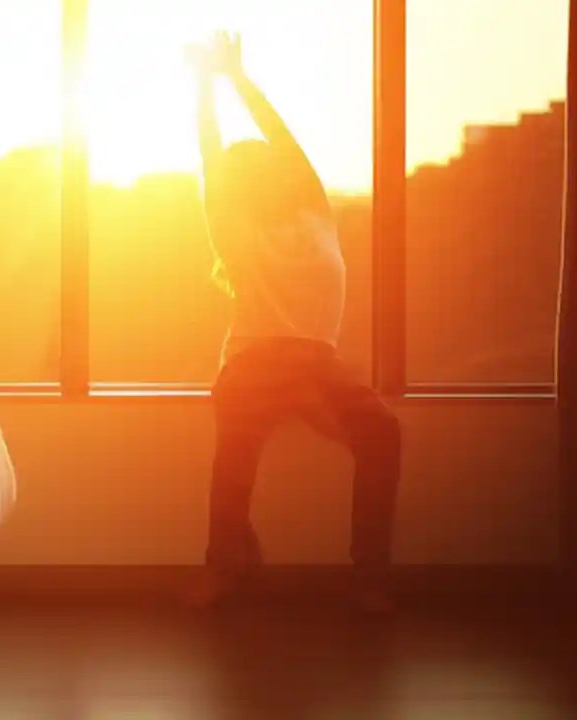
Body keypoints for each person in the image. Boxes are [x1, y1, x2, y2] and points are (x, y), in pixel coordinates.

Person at [186, 32, 401, 614]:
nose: (263, 169)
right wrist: (205, 85)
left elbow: (286, 144)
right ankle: (227, 565)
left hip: (316, 364)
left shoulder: (314, 213)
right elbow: (210, 153)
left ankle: (369, 578)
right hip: (254, 362)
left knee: (383, 433)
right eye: (246, 170)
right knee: (236, 440)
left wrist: (238, 78)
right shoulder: (233, 227)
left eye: (265, 165)